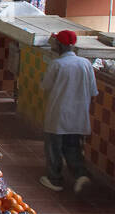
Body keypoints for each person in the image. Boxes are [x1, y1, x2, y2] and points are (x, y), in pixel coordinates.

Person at [40, 30, 97, 194]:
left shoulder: (57, 64)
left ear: (59, 45)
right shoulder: (86, 64)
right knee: (73, 147)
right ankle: (80, 174)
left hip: (59, 114)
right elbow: (93, 92)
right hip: (79, 115)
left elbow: (45, 85)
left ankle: (54, 179)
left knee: (54, 148)